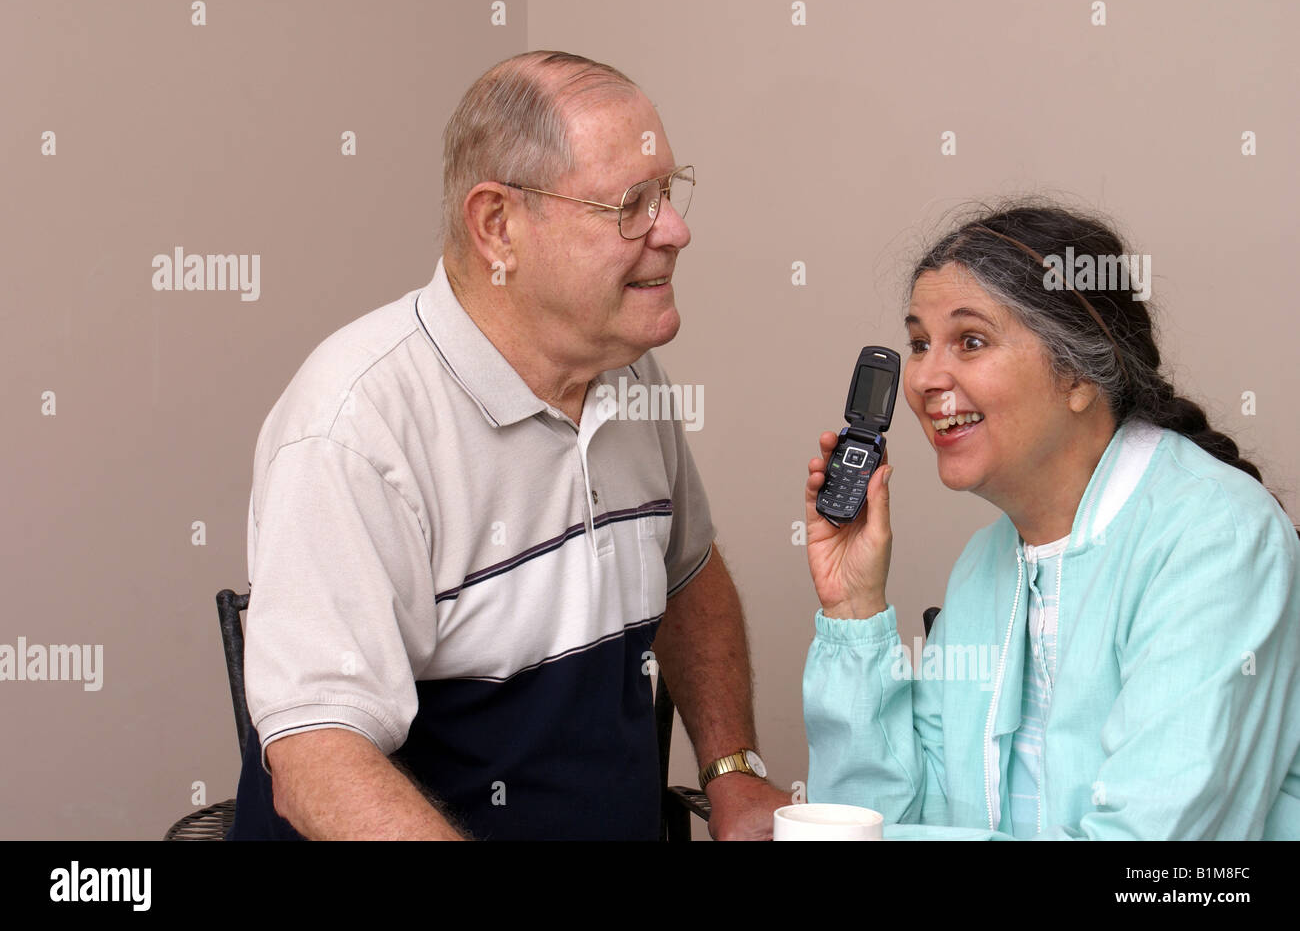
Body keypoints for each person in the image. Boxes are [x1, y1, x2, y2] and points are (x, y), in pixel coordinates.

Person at [227, 51, 789, 840]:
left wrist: (733, 771)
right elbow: (317, 760)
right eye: (633, 204)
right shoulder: (353, 427)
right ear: (498, 227)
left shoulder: (625, 371)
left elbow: (687, 575)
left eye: (668, 192)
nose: (675, 230)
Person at [801, 203, 1300, 839]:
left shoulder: (1218, 540)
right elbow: (867, 821)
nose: (924, 377)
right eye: (920, 343)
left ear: (1078, 374)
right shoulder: (985, 566)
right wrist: (853, 608)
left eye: (970, 341)